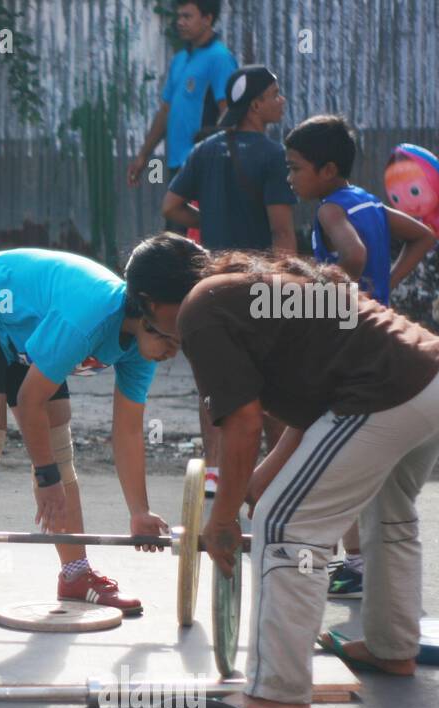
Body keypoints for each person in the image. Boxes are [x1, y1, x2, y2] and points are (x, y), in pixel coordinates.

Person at [128, 248, 439, 708]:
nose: (165, 336)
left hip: (388, 393)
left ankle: (277, 690)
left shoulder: (198, 311)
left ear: (149, 301)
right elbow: (311, 414)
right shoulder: (246, 285)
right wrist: (260, 480)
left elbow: (242, 424)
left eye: (151, 323)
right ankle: (394, 649)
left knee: (285, 525)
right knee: (389, 514)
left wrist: (223, 519)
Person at [0, 241, 189, 624]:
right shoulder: (87, 317)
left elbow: (129, 430)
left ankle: (75, 573)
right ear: (149, 303)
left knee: (59, 445)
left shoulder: (147, 339)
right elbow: (29, 400)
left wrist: (139, 511)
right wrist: (44, 476)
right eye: (172, 341)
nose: (174, 352)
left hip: (32, 326)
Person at [284, 113, 437, 599]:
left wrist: (321, 290)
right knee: (365, 457)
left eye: (296, 168)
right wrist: (386, 284)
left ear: (327, 171)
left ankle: (354, 562)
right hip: (378, 333)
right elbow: (424, 235)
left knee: (342, 455)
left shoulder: (330, 210)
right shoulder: (367, 200)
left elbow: (349, 257)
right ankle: (364, 560)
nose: (290, 178)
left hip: (348, 341)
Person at [163, 64, 297, 497]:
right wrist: (290, 289)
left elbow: (172, 206)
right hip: (260, 286)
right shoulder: (274, 155)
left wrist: (214, 223)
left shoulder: (205, 150)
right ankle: (278, 478)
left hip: (213, 284)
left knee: (214, 382)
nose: (281, 101)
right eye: (275, 94)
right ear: (255, 104)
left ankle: (215, 476)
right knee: (273, 383)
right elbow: (281, 231)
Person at [127, 0, 236, 204]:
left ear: (207, 19)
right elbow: (166, 111)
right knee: (176, 228)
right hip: (177, 162)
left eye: (187, 16)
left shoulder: (219, 58)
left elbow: (229, 113)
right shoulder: (180, 59)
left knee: (193, 229)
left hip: (204, 163)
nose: (180, 22)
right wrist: (143, 155)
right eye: (179, 16)